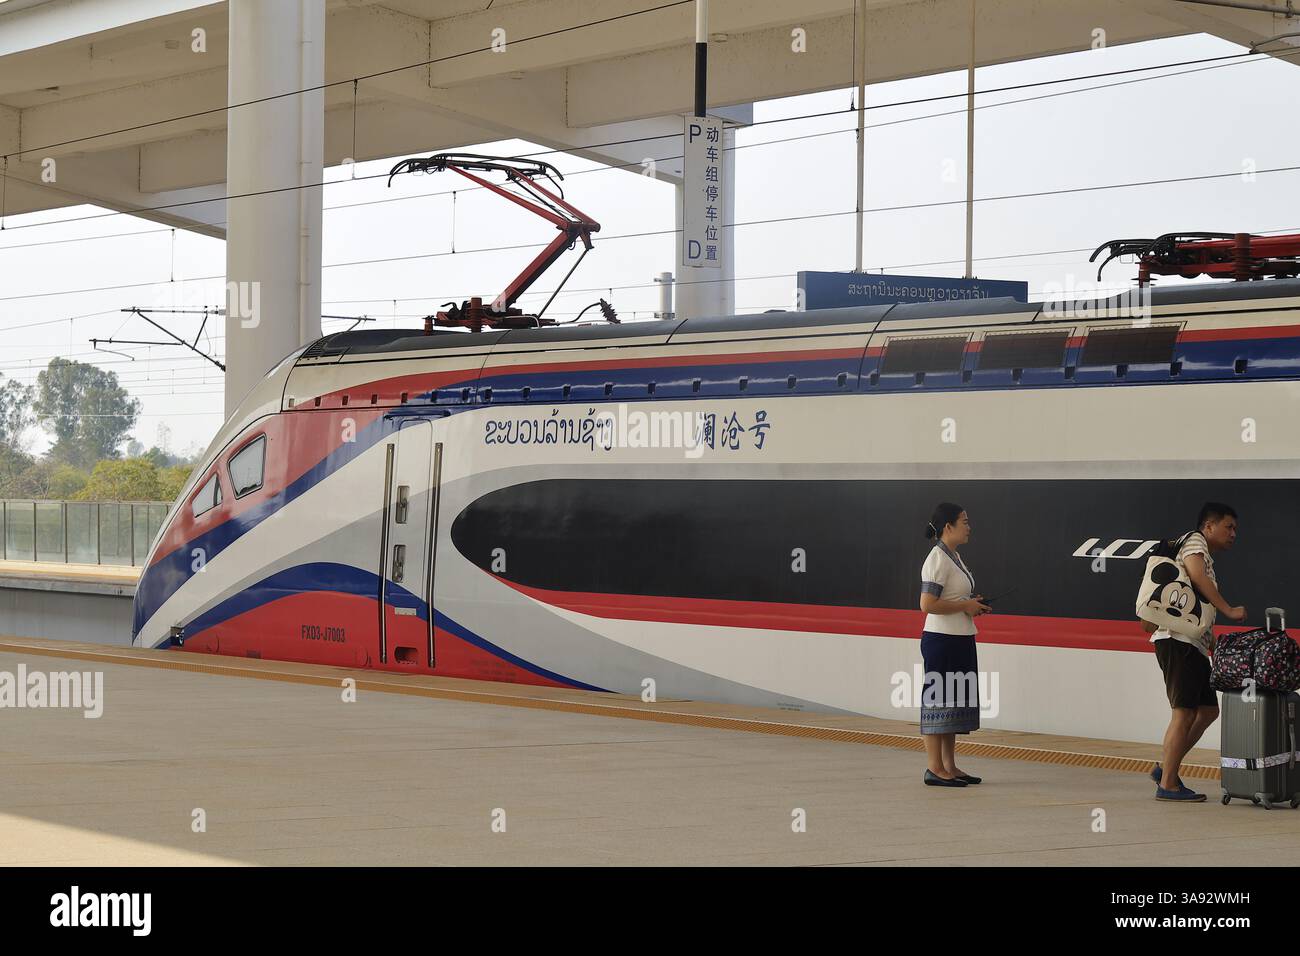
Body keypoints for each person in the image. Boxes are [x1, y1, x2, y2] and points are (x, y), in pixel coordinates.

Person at [1149, 502, 1245, 802]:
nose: (1233, 534)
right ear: (1209, 526)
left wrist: (1212, 642)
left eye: (1235, 530)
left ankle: (1167, 768)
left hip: (1192, 643)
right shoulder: (1194, 541)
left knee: (1207, 711)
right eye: (1228, 527)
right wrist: (1228, 609)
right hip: (1177, 641)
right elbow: (1195, 574)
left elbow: (1194, 604)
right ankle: (1168, 784)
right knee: (1184, 712)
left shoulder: (1205, 556)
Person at [918, 503, 990, 787]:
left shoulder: (955, 557)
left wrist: (972, 605)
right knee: (937, 702)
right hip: (942, 640)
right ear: (948, 526)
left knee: (953, 704)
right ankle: (934, 768)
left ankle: (949, 765)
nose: (969, 526)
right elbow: (927, 604)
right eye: (964, 521)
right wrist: (966, 605)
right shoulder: (937, 558)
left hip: (959, 638)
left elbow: (953, 599)